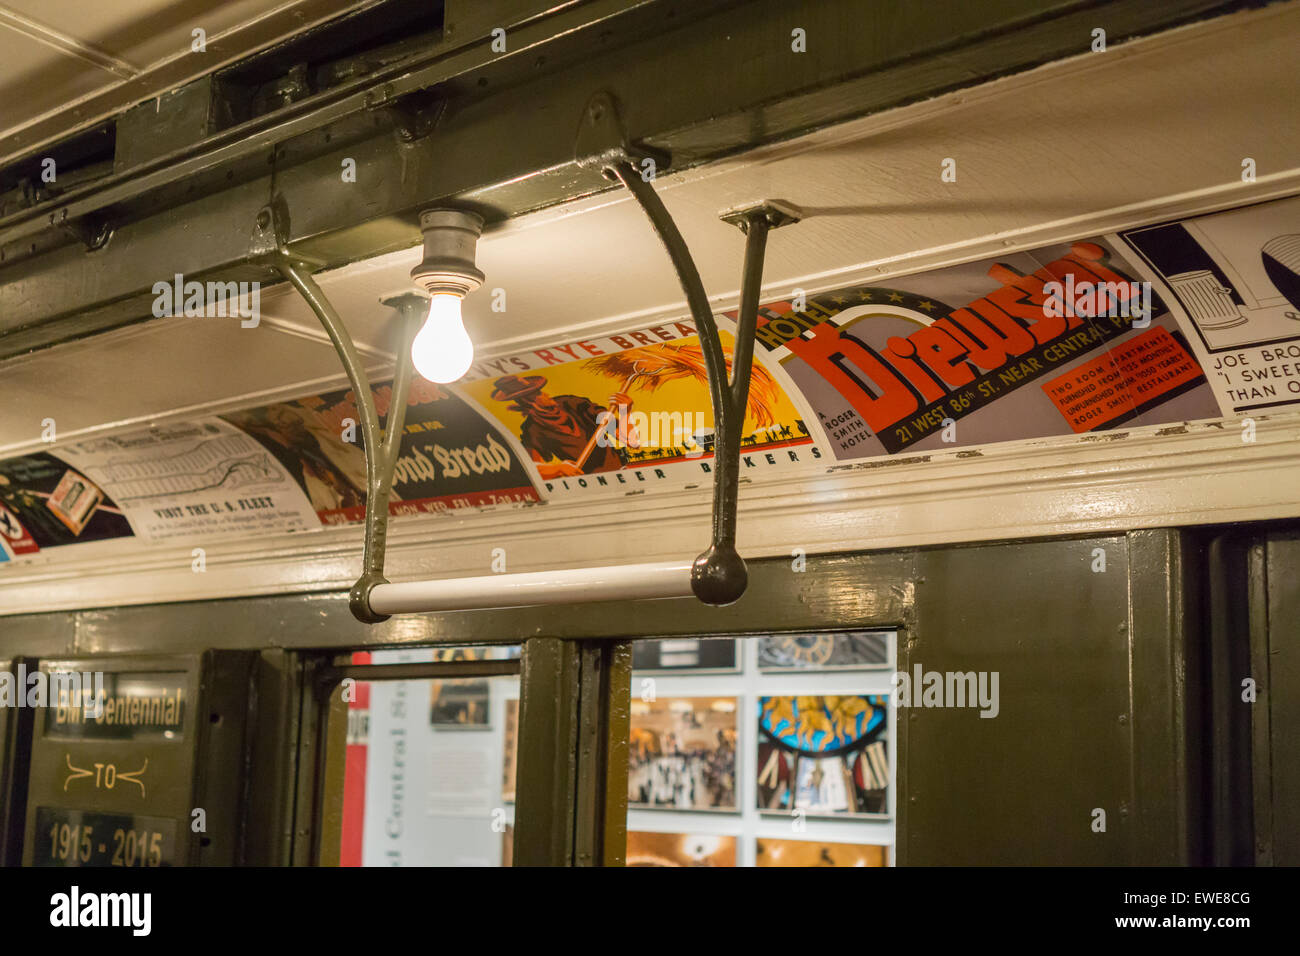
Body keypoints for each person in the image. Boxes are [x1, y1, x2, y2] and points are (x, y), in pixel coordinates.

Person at [489, 374, 639, 479]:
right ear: (526, 402)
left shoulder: (573, 404)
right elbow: (530, 468)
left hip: (621, 473)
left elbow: (632, 441)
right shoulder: (532, 428)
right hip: (591, 486)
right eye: (535, 394)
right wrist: (558, 468)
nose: (544, 395)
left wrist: (625, 411)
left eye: (538, 391)